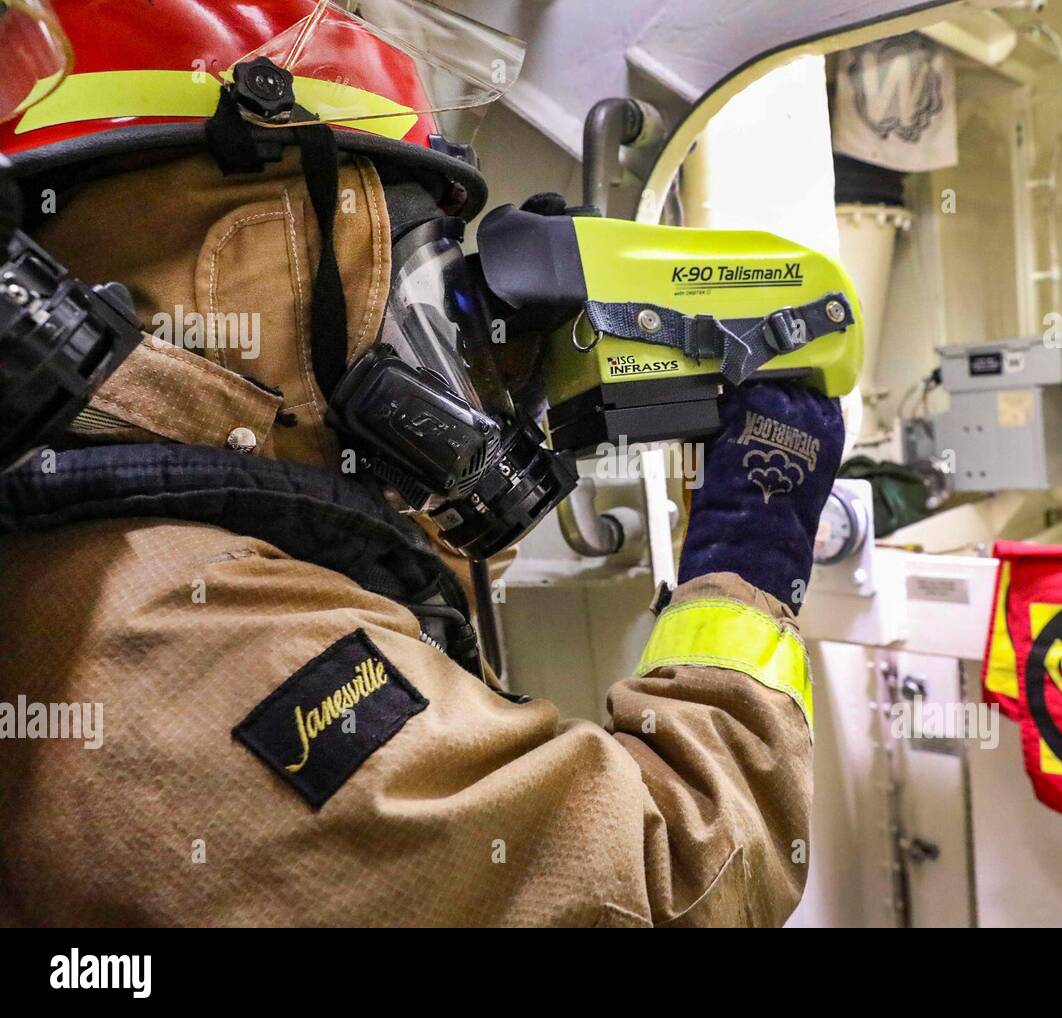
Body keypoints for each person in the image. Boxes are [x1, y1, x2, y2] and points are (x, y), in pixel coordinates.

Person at [0, 0, 844, 927]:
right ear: (250, 249)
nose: (433, 323)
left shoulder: (111, 537)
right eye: (405, 261)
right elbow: (678, 876)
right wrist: (748, 558)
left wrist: (492, 417)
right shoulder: (194, 637)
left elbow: (381, 611)